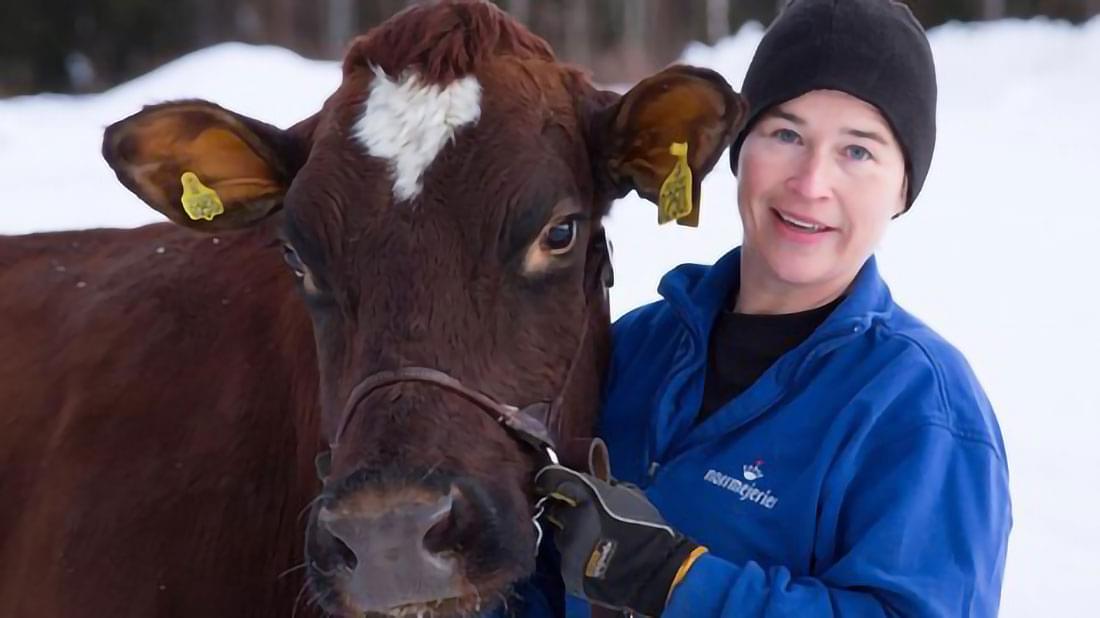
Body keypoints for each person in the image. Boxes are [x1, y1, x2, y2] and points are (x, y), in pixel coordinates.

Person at [533, 0, 1012, 616]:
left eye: (858, 151)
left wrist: (676, 583)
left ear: (903, 189)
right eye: (786, 134)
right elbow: (541, 579)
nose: (812, 182)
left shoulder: (921, 408)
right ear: (739, 150)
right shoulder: (633, 348)